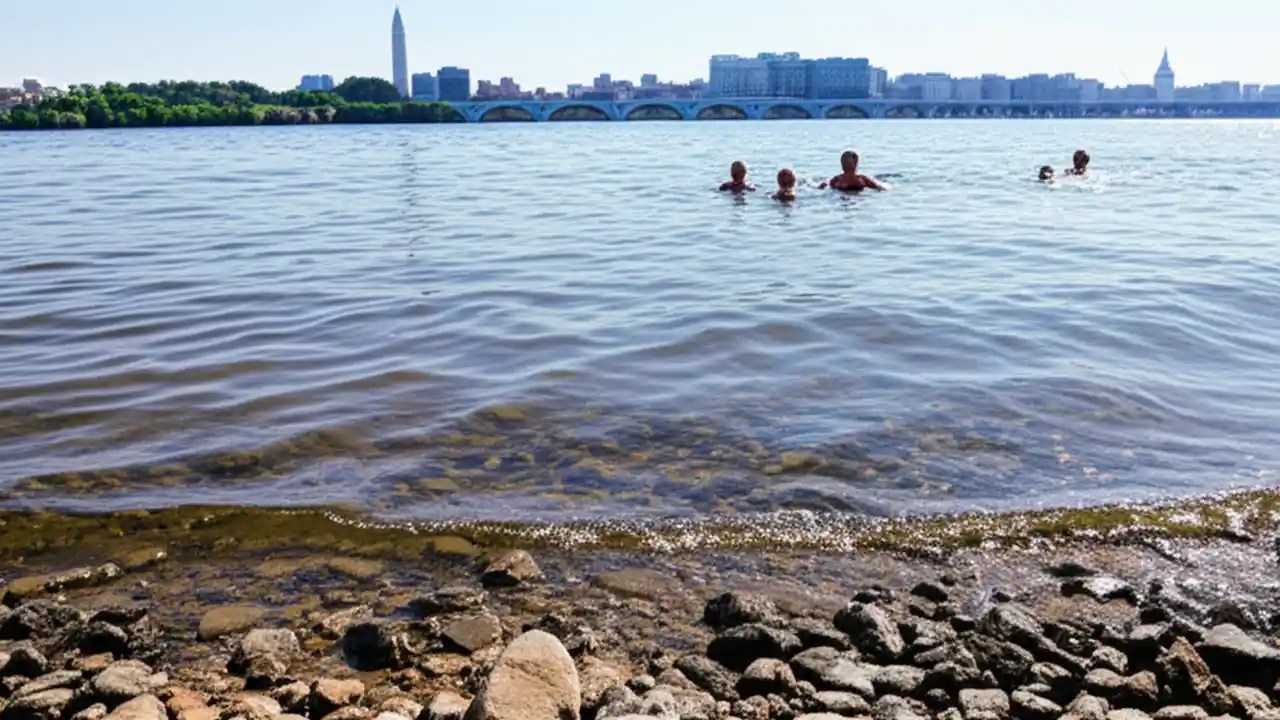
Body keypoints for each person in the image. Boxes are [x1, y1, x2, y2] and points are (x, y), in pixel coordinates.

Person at [819, 150, 887, 192]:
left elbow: (821, 187)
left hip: (841, 196)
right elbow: (881, 188)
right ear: (856, 163)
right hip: (858, 197)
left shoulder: (836, 179)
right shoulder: (862, 178)